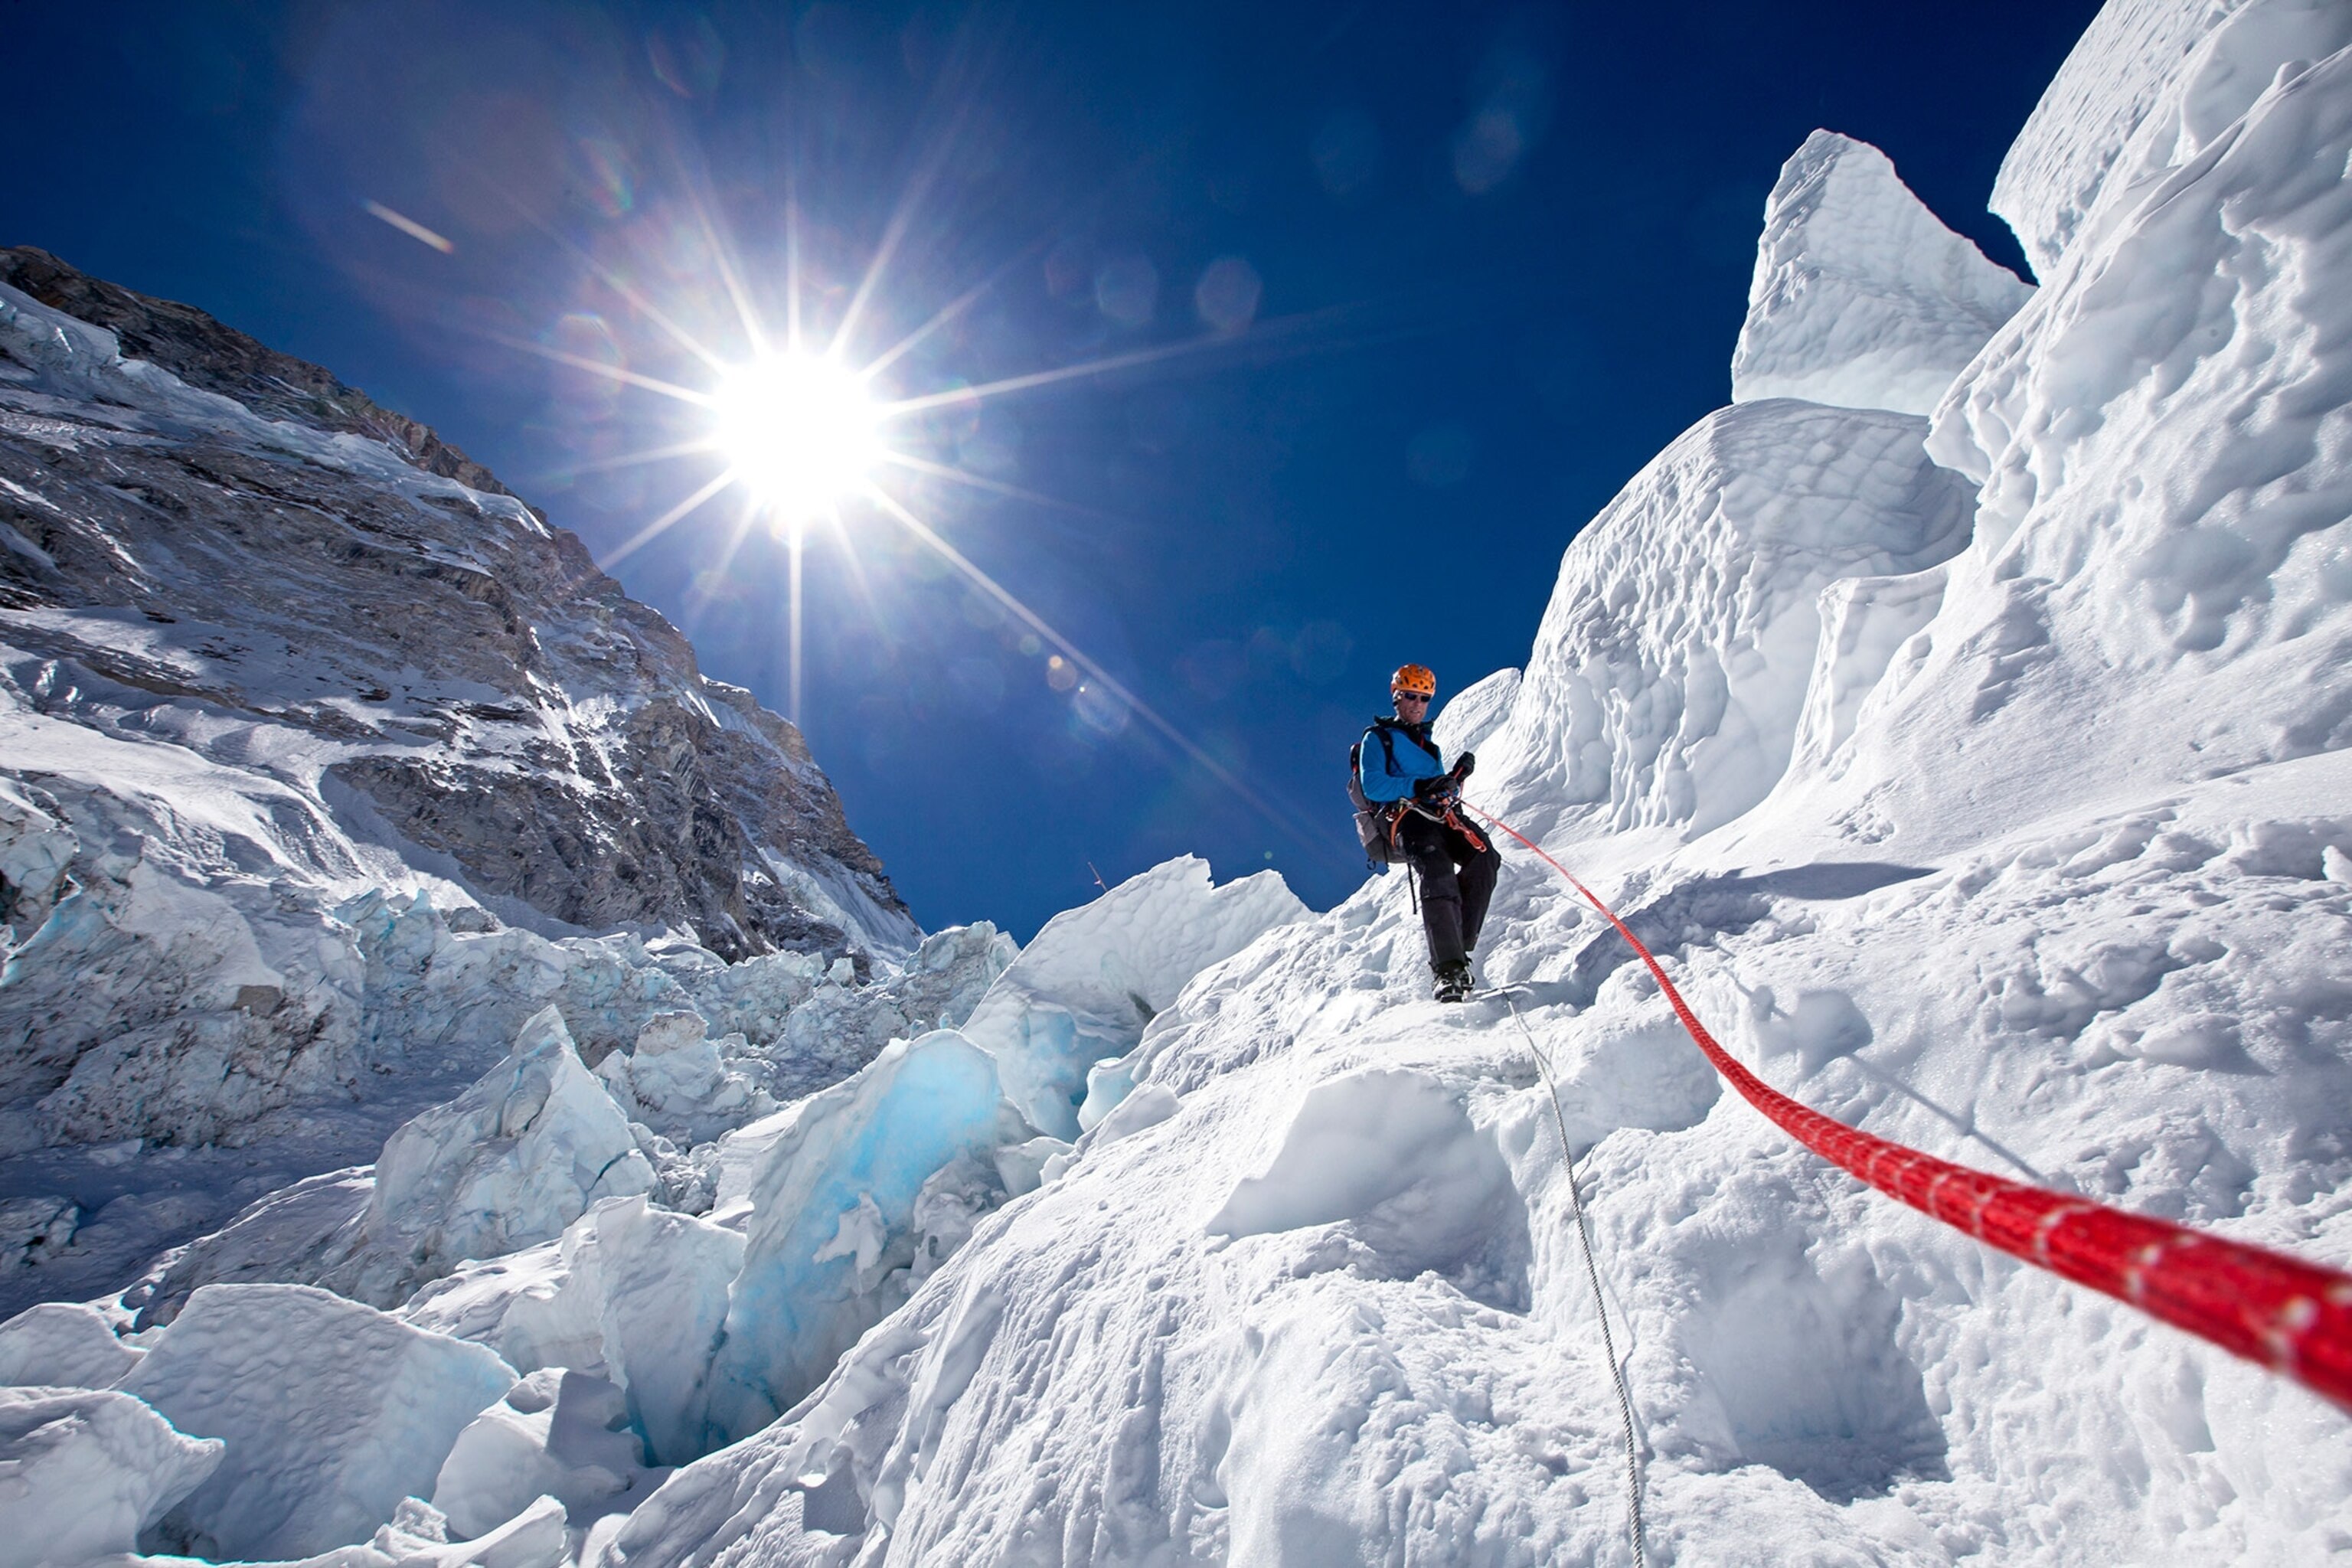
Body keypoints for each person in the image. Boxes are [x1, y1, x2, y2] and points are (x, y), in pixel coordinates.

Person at [1356, 664, 1501, 1002]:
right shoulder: (1377, 738)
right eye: (1411, 696)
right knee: (1436, 869)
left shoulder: (1428, 746)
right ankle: (1448, 970)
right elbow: (1374, 784)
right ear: (1397, 697)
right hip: (1406, 818)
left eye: (1424, 698)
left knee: (1485, 858)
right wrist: (1421, 784)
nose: (1417, 704)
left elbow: (1434, 787)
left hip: (1441, 815)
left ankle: (1458, 952)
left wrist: (1455, 776)